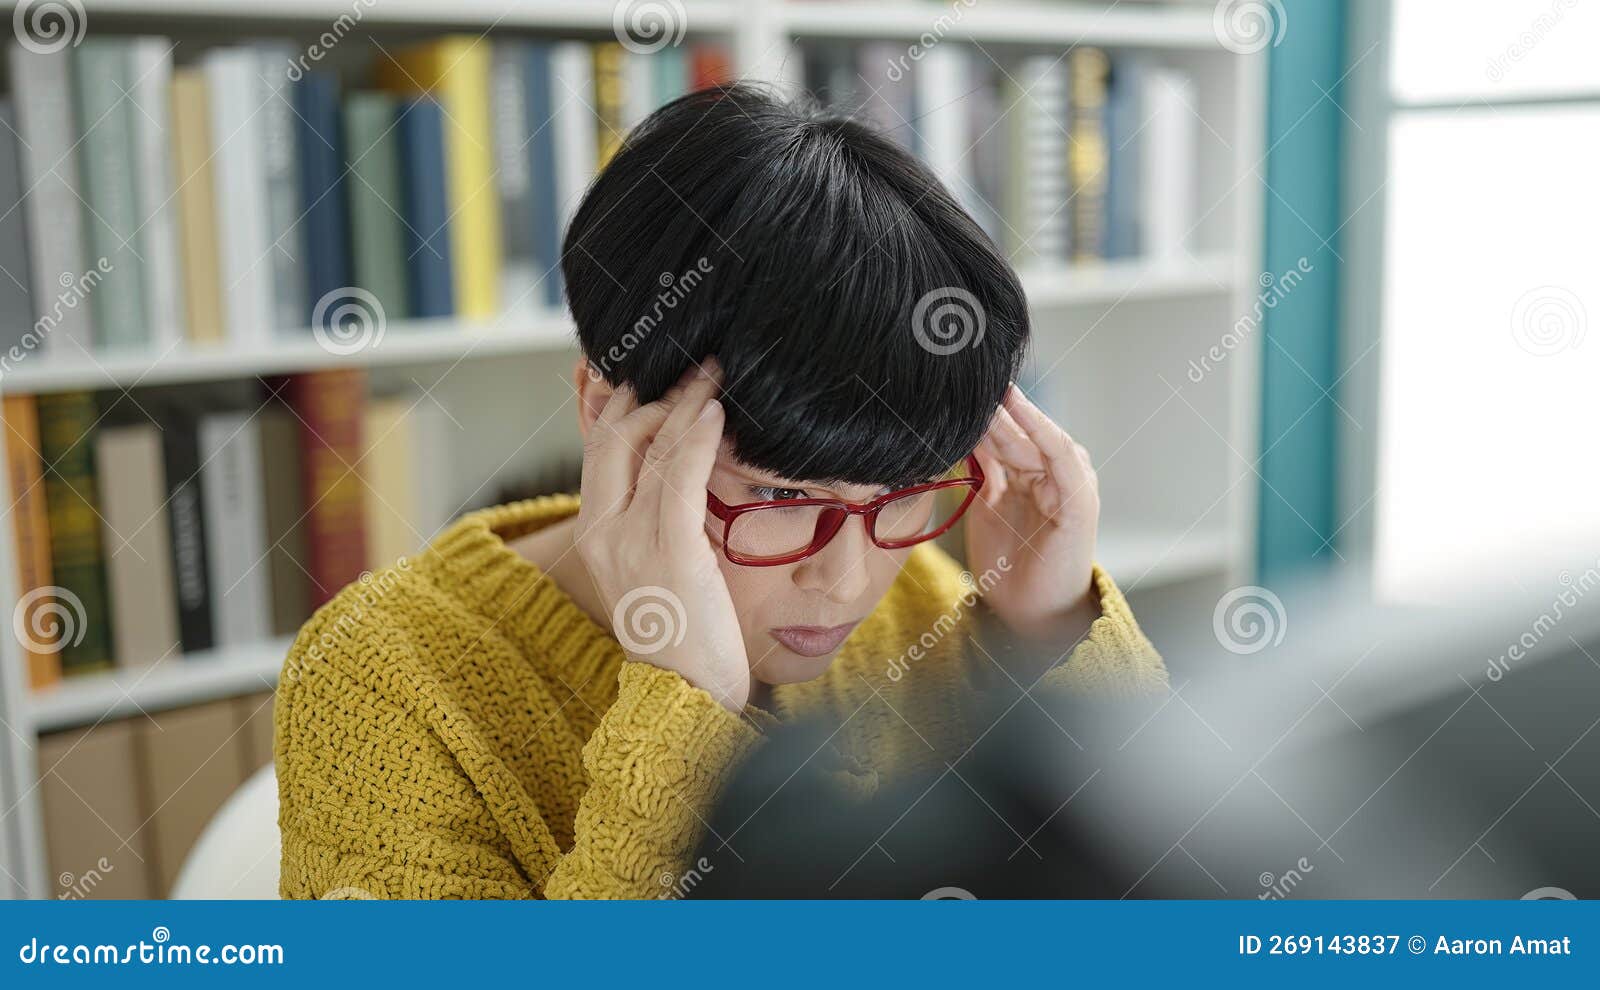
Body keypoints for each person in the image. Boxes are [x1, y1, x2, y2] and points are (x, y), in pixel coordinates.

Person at [275, 83, 1168, 900]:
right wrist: (684, 702)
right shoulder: (380, 681)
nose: (849, 580)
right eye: (780, 499)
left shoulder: (925, 616)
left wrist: (1048, 634)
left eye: (905, 492)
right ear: (604, 412)